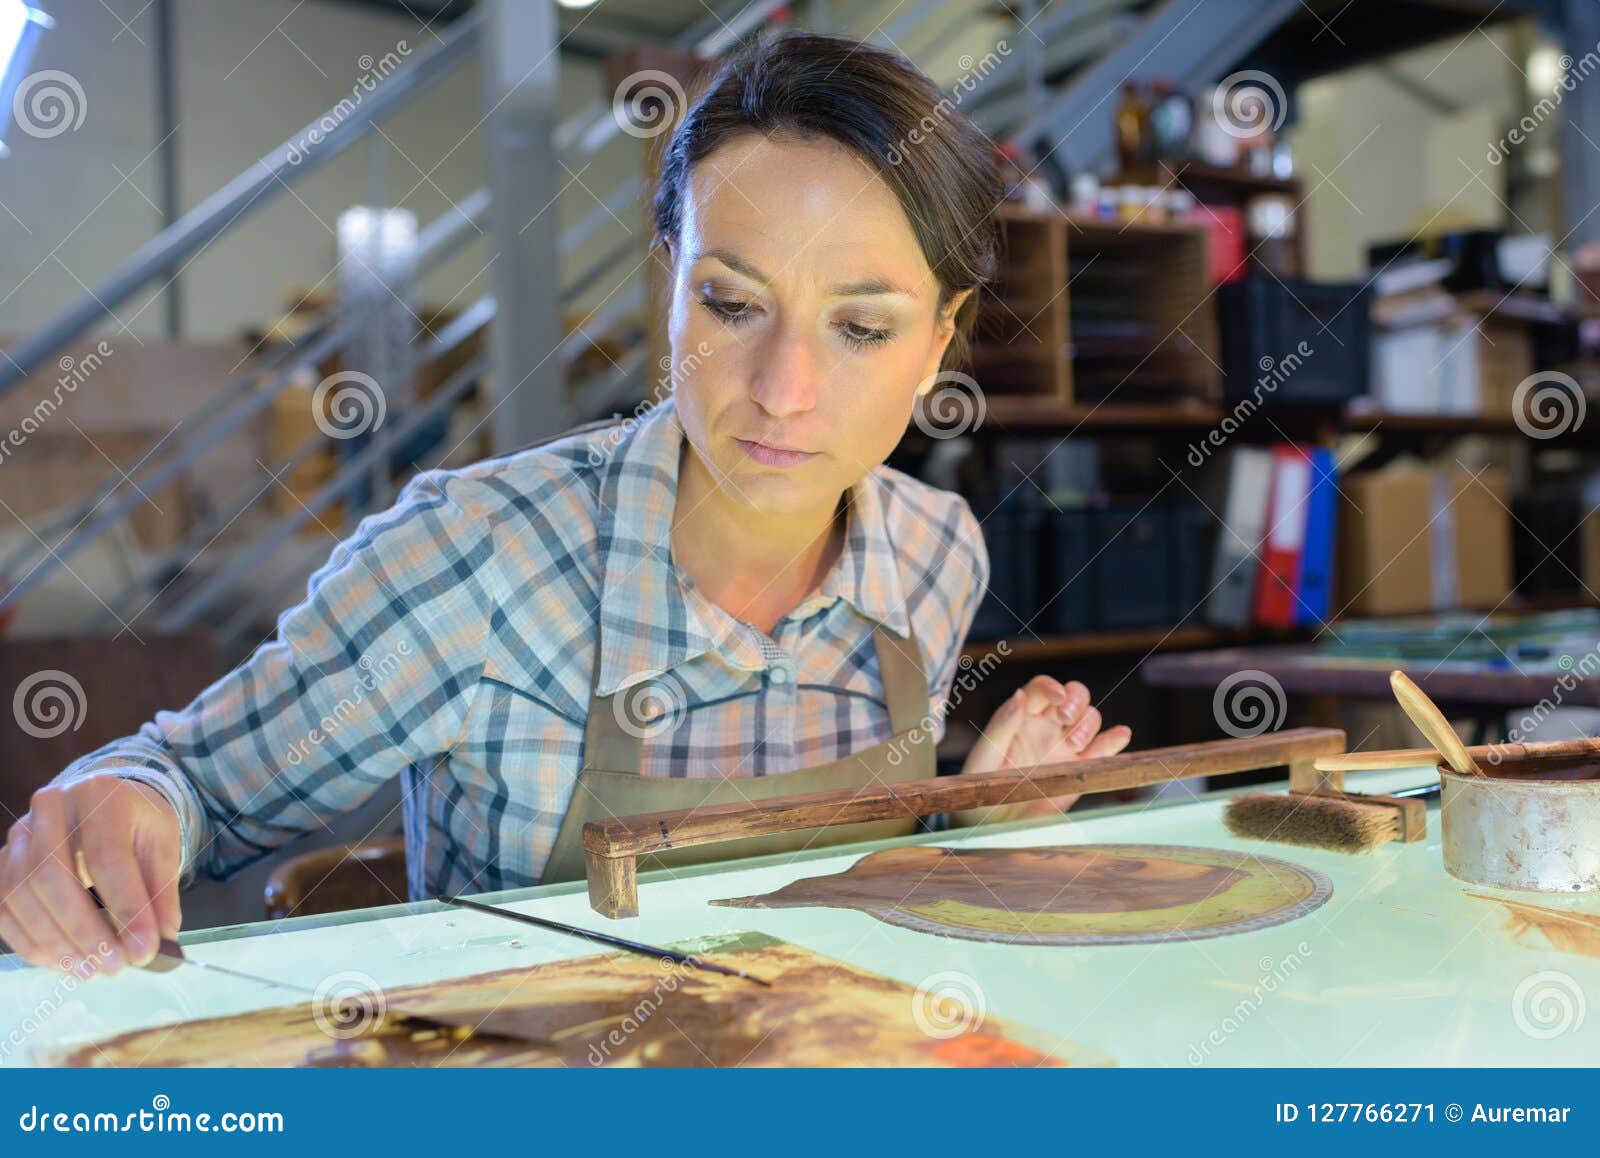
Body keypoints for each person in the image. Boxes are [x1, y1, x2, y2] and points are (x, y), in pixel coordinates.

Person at [0, 30, 1129, 978]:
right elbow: (192, 783)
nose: (783, 392)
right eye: (732, 305)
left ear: (938, 339)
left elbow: (858, 895)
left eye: (862, 328)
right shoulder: (476, 560)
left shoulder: (934, 556)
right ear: (669, 283)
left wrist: (968, 829)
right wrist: (112, 808)